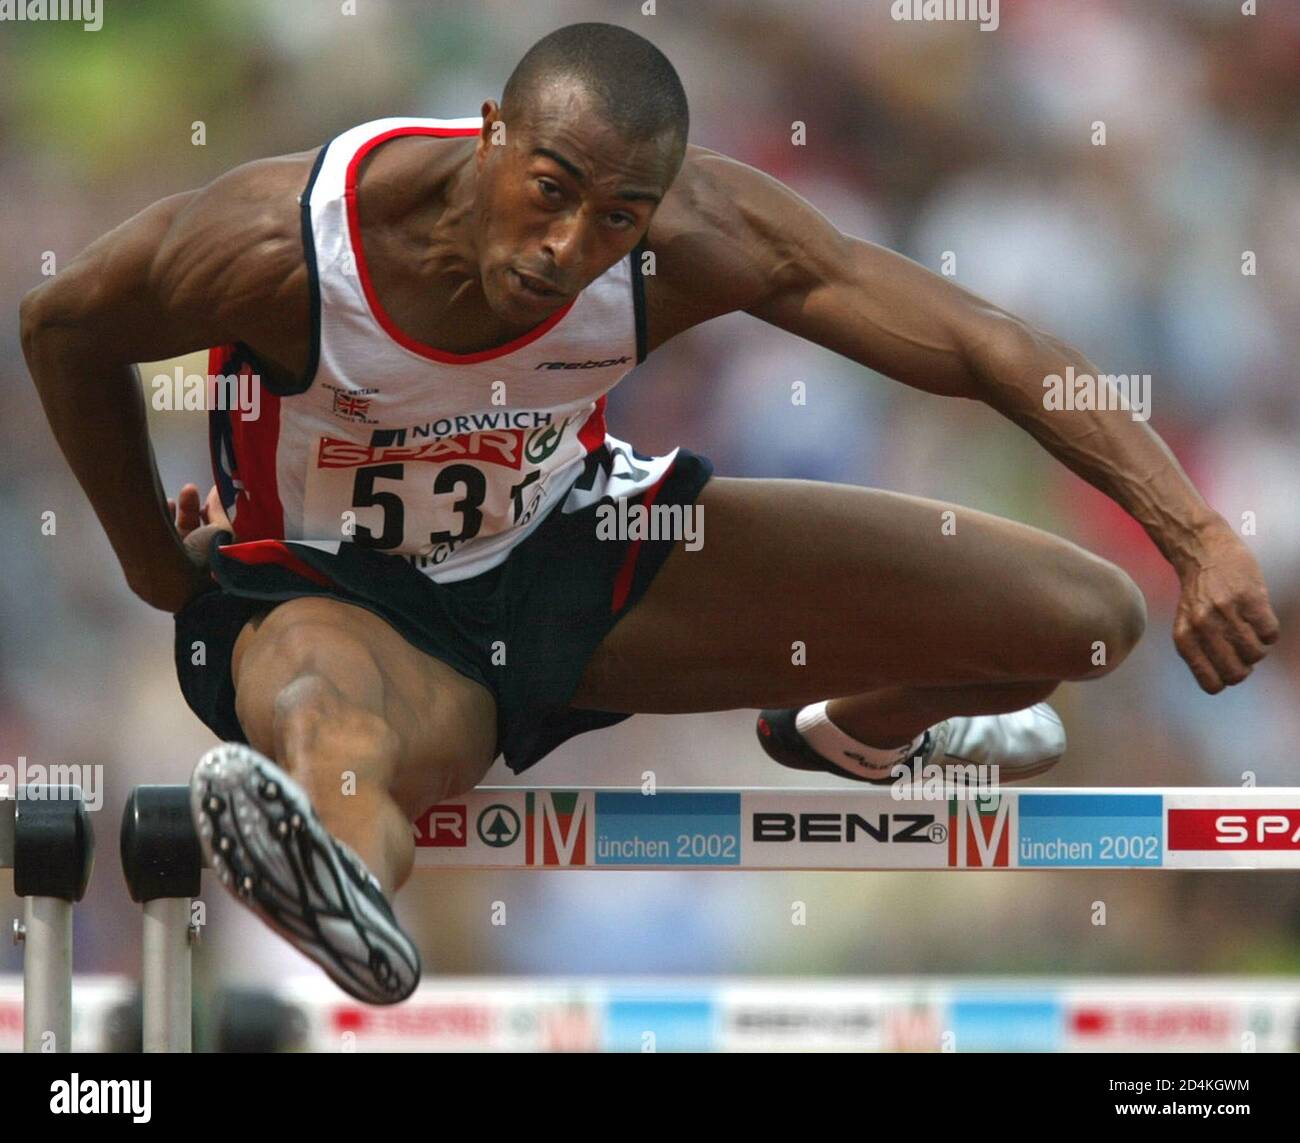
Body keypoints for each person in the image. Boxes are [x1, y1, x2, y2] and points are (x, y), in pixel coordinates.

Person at [21, 23, 1278, 1004]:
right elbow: (64, 324)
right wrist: (152, 567)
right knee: (330, 722)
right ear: (491, 133)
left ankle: (851, 734)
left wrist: (1196, 535)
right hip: (329, 594)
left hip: (578, 551)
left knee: (1083, 622)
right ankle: (344, 897)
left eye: (614, 219)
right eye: (552, 191)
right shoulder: (291, 247)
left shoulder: (692, 236)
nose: (570, 248)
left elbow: (982, 343)